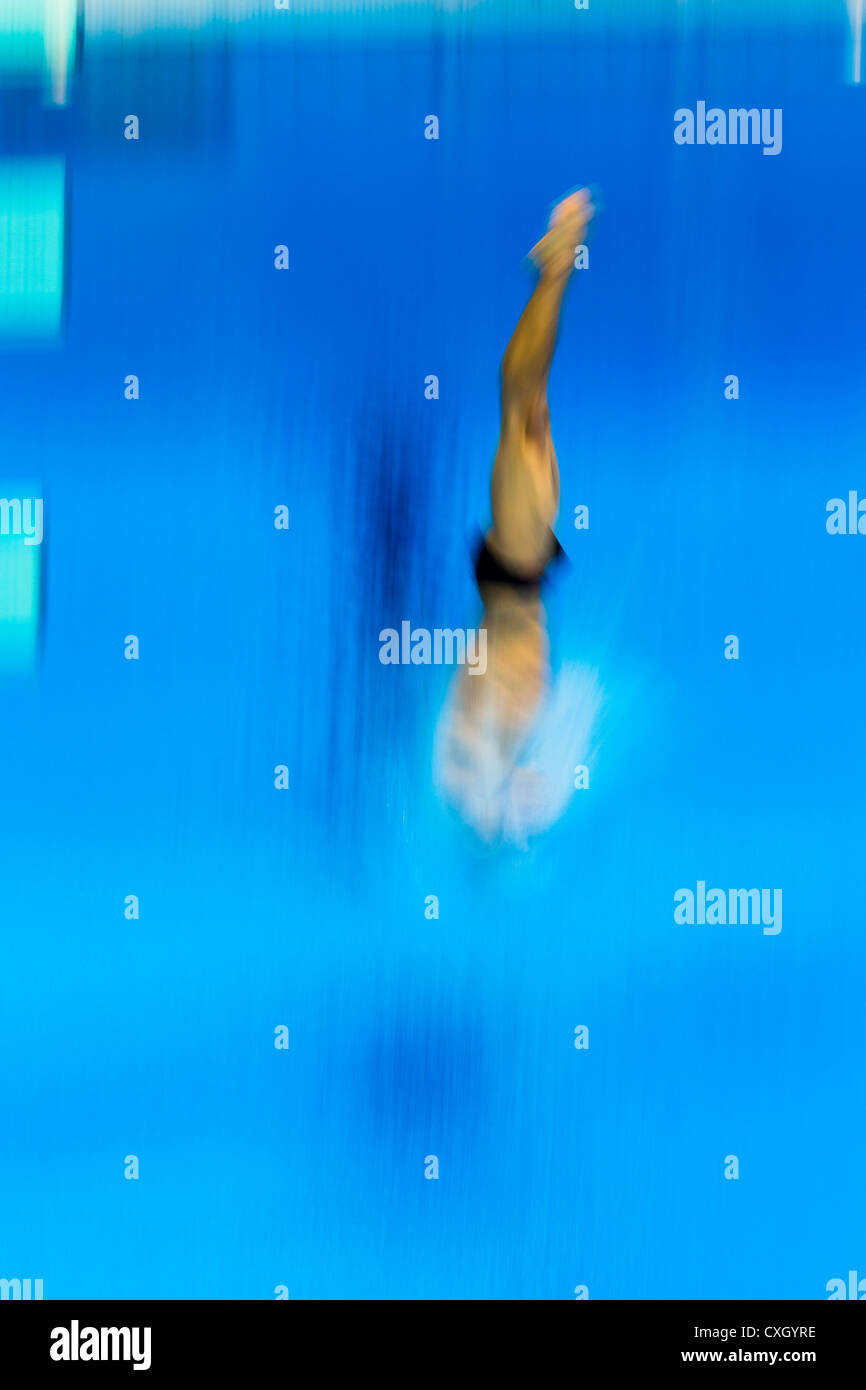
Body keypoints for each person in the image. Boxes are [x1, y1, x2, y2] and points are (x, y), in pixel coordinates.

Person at [436, 189, 601, 845]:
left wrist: (558, 269)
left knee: (518, 396)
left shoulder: (524, 491)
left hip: (514, 660)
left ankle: (555, 269)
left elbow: (522, 380)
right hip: (517, 665)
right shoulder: (533, 483)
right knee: (522, 398)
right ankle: (555, 269)